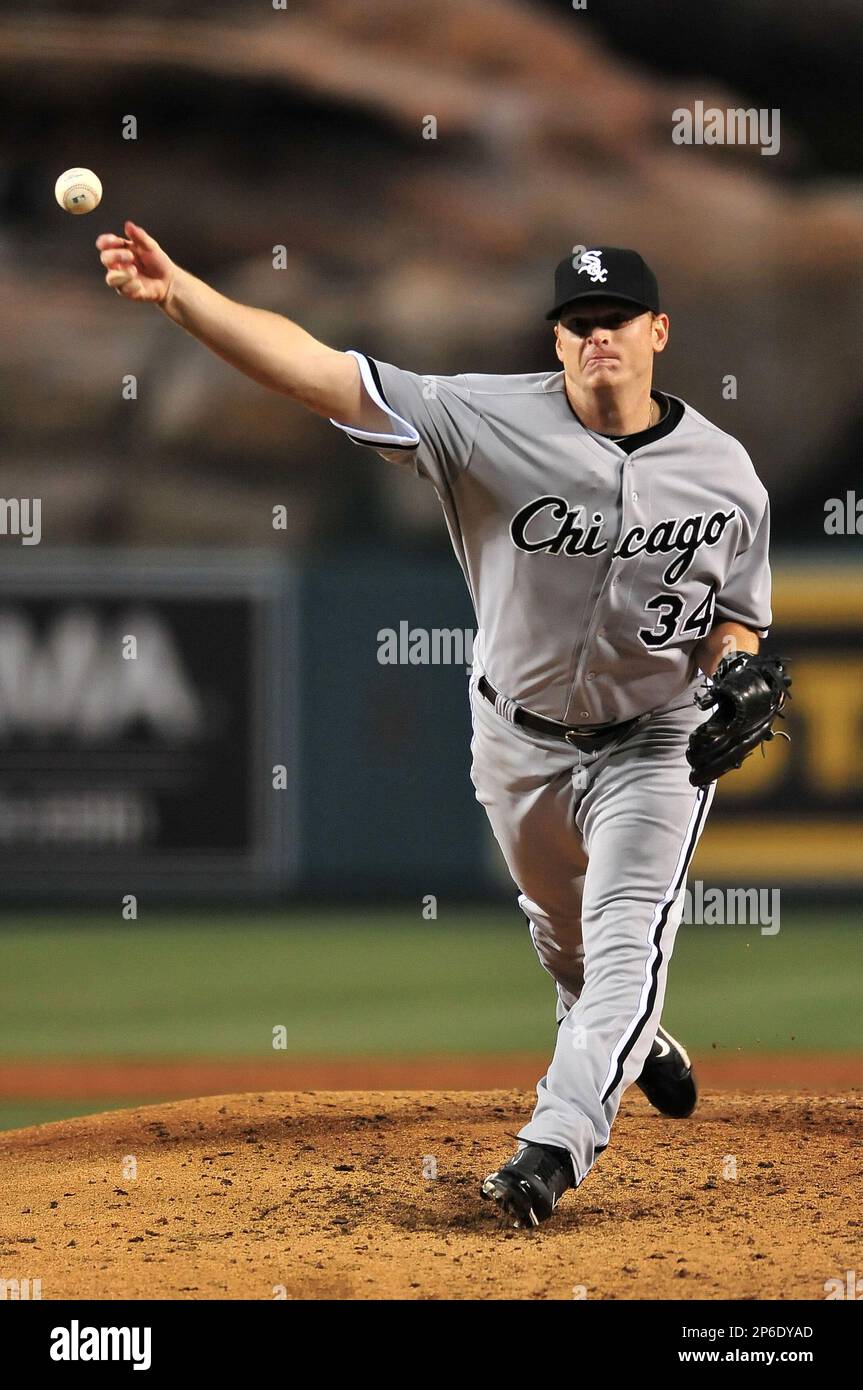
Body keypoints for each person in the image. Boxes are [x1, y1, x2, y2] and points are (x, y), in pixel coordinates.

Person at [97, 229, 773, 1228]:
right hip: (516, 737)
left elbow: (738, 617)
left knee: (625, 939)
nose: (597, 338)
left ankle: (548, 1150)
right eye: (576, 323)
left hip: (654, 739)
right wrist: (184, 296)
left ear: (657, 331)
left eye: (615, 320)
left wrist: (739, 675)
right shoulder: (478, 420)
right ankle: (633, 1040)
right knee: (566, 945)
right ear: (554, 342)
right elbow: (318, 374)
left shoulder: (724, 472)